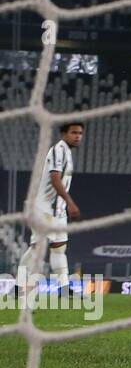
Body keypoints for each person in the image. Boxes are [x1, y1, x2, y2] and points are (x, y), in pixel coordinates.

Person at [19, 121, 84, 298]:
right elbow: (55, 179)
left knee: (59, 248)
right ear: (63, 134)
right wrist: (70, 202)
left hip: (58, 211)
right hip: (44, 209)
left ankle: (64, 289)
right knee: (37, 248)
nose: (77, 136)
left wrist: (64, 206)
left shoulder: (67, 152)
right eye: (73, 132)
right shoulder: (58, 150)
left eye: (80, 133)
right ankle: (18, 287)